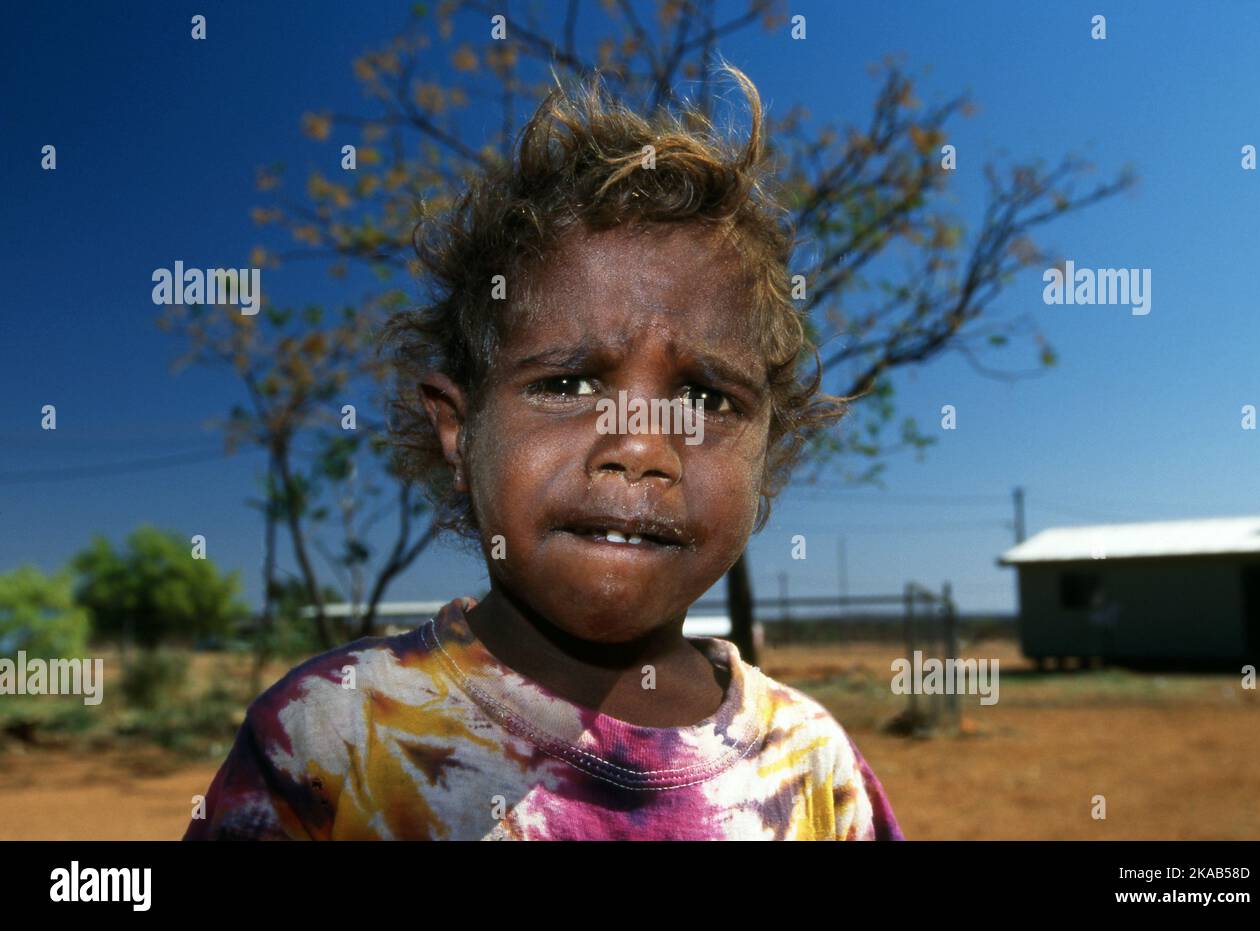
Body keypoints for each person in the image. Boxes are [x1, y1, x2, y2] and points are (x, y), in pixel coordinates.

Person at [185, 64, 903, 841]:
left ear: (770, 454)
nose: (640, 445)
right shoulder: (332, 736)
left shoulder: (811, 765)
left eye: (705, 399)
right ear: (459, 429)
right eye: (568, 382)